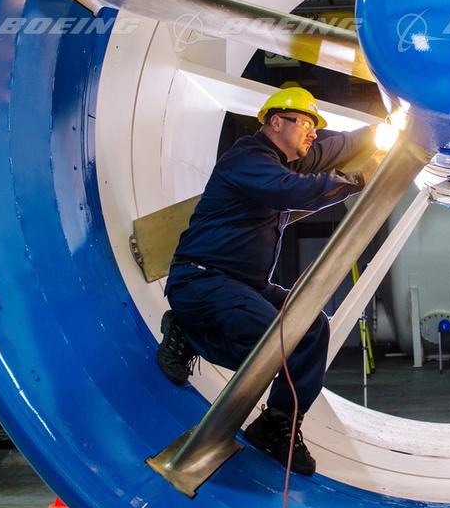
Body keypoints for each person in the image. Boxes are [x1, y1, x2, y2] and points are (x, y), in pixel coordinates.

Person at [156, 86, 382, 476]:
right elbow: (292, 191)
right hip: (202, 279)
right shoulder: (249, 159)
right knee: (273, 341)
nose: (313, 134)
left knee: (311, 328)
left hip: (245, 284)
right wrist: (357, 178)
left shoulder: (284, 161)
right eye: (306, 124)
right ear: (276, 122)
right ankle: (188, 333)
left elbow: (333, 148)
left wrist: (386, 132)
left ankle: (277, 425)